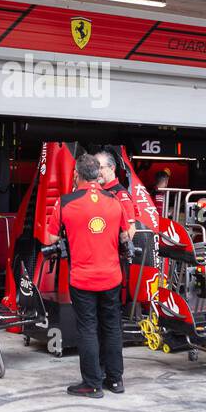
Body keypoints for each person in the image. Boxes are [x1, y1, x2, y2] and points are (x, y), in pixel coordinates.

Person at [54, 153, 133, 398]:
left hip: (83, 277)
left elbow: (49, 239)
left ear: (76, 174)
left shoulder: (65, 202)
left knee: (88, 328)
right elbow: (127, 232)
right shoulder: (114, 200)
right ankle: (115, 381)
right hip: (111, 276)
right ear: (98, 174)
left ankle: (92, 384)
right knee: (111, 327)